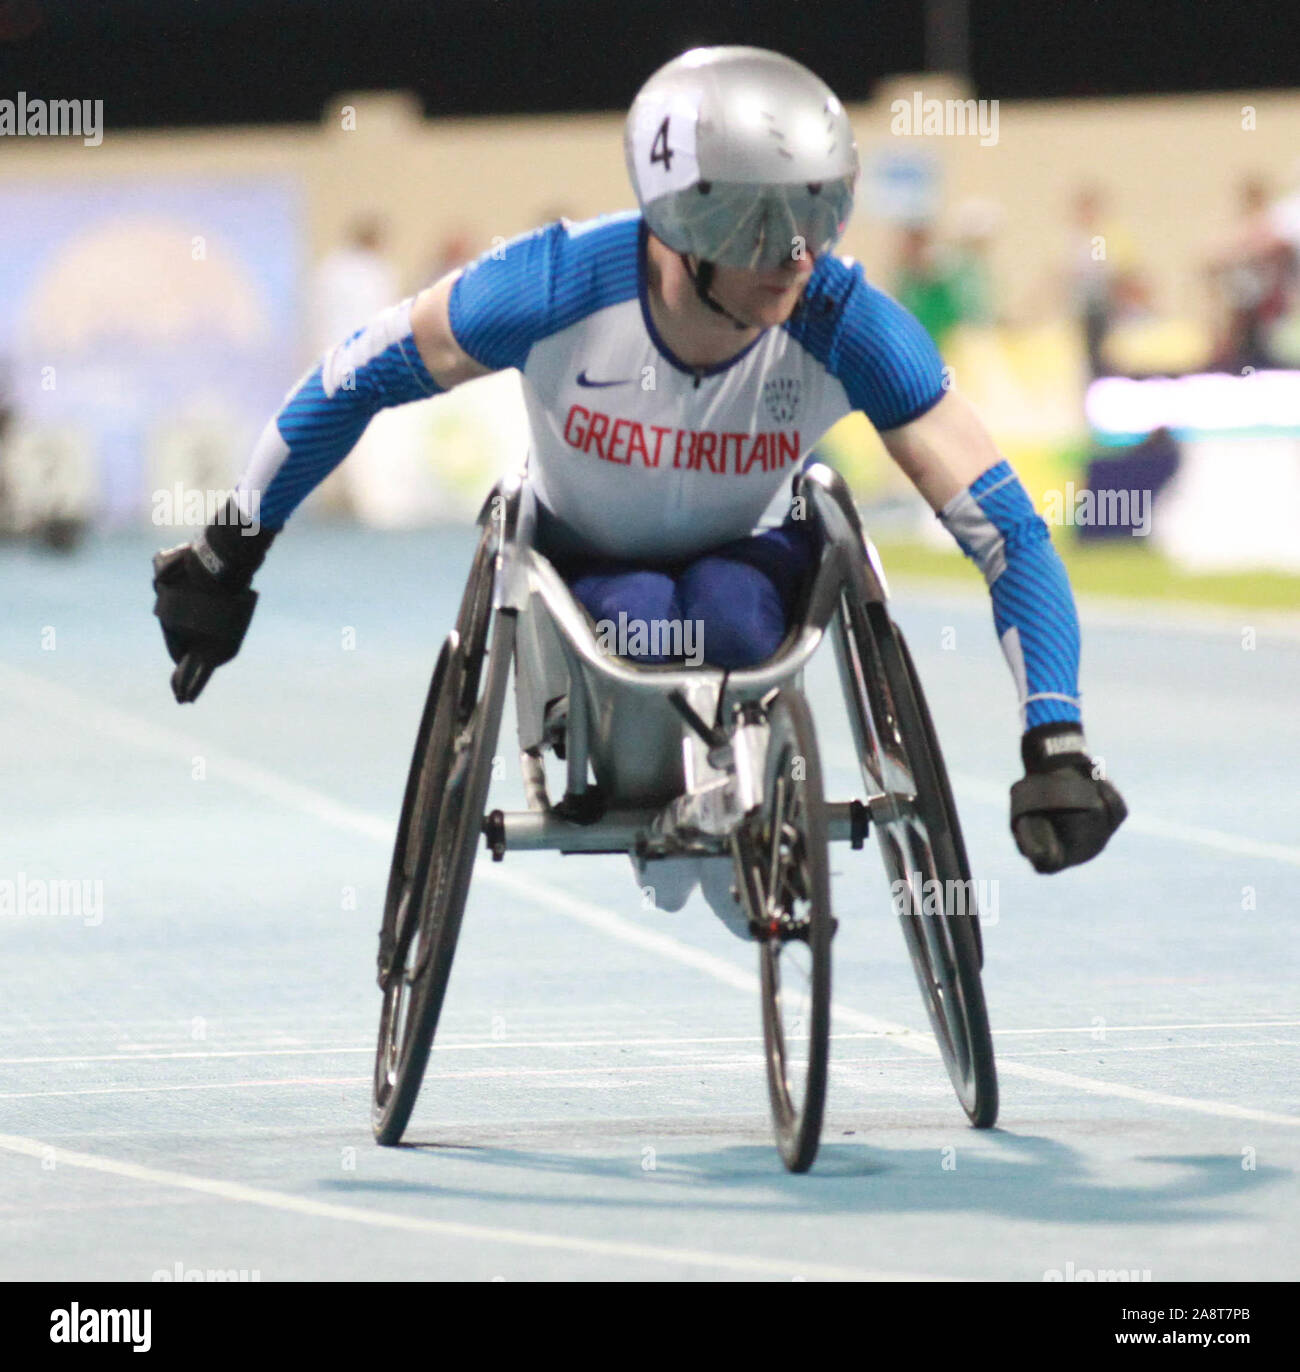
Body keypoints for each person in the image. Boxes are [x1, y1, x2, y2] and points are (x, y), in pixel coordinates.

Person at [152, 46, 1126, 934]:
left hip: (750, 558)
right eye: (760, 224)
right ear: (681, 219)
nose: (796, 258)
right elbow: (351, 378)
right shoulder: (554, 286)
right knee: (644, 618)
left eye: (816, 216)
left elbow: (1007, 531)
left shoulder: (846, 321)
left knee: (730, 621)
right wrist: (228, 551)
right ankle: (679, 794)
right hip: (584, 566)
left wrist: (1057, 737)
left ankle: (743, 804)